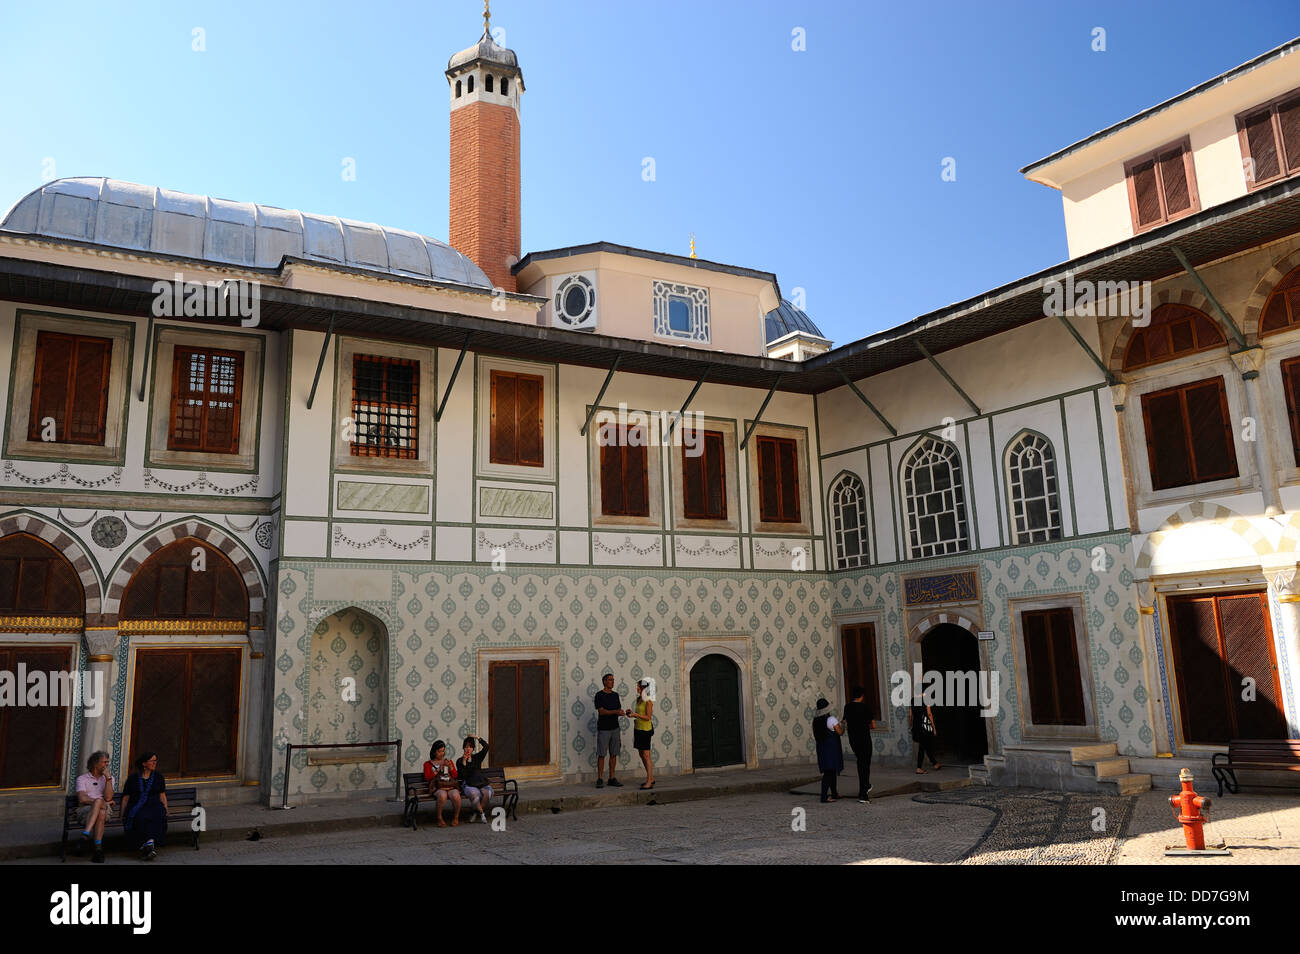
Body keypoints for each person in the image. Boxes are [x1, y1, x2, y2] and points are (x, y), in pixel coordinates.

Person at [119, 752, 167, 860]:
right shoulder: (133, 778)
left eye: (156, 761)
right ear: (144, 764)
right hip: (137, 806)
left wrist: (166, 809)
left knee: (158, 814)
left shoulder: (159, 777)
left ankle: (148, 845)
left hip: (154, 805)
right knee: (141, 816)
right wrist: (122, 813)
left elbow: (162, 795)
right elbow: (126, 797)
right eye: (152, 761)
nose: (155, 763)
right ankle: (148, 845)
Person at [74, 750, 115, 862]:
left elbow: (108, 798)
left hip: (105, 808)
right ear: (95, 763)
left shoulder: (109, 778)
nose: (106, 765)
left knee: (101, 806)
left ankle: (85, 835)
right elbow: (82, 798)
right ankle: (98, 850)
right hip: (85, 810)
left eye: (107, 762)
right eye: (104, 762)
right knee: (100, 810)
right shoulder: (82, 779)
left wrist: (108, 779)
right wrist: (99, 802)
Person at [841, 687, 876, 803]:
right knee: (865, 764)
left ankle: (865, 786)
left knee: (860, 762)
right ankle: (863, 793)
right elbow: (874, 725)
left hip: (853, 740)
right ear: (862, 696)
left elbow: (844, 722)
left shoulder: (847, 707)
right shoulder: (865, 707)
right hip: (864, 739)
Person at [593, 673, 625, 789]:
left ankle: (612, 778)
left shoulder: (615, 695)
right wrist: (616, 712)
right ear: (604, 682)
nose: (612, 682)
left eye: (613, 680)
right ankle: (600, 778)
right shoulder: (599, 695)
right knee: (601, 754)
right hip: (604, 729)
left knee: (614, 754)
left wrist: (621, 712)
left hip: (615, 728)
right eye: (610, 680)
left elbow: (618, 709)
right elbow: (601, 711)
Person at [812, 698, 845, 802]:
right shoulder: (831, 720)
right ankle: (824, 796)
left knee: (830, 771)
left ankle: (834, 793)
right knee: (829, 773)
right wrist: (843, 724)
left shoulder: (815, 721)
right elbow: (840, 732)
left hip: (822, 748)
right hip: (832, 748)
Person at [423, 740, 462, 826]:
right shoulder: (427, 764)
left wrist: (450, 767)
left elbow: (455, 776)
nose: (442, 753)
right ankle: (439, 818)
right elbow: (428, 777)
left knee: (456, 796)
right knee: (442, 795)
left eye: (443, 751)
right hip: (437, 787)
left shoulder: (448, 761)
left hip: (449, 785)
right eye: (439, 751)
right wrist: (439, 769)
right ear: (434, 751)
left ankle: (456, 817)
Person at [456, 736, 493, 823]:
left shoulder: (477, 757)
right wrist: (464, 763)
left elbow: (487, 747)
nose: (468, 749)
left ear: (473, 749)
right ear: (463, 748)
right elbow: (462, 776)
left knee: (487, 794)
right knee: (474, 795)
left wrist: (477, 737)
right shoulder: (459, 761)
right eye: (466, 747)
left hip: (481, 783)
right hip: (469, 784)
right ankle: (482, 813)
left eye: (470, 747)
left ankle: (475, 812)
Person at [629, 677, 655, 789]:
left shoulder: (648, 701)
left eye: (638, 687)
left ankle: (649, 781)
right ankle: (651, 777)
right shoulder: (638, 699)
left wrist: (636, 715)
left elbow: (648, 717)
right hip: (638, 729)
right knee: (641, 754)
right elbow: (639, 714)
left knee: (646, 755)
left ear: (643, 688)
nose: (637, 688)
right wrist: (632, 713)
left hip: (645, 730)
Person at [910, 701, 942, 774]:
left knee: (925, 745)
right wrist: (933, 727)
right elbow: (929, 714)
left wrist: (911, 725)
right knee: (922, 747)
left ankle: (935, 764)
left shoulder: (913, 701)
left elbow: (910, 715)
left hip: (916, 727)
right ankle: (919, 768)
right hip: (924, 728)